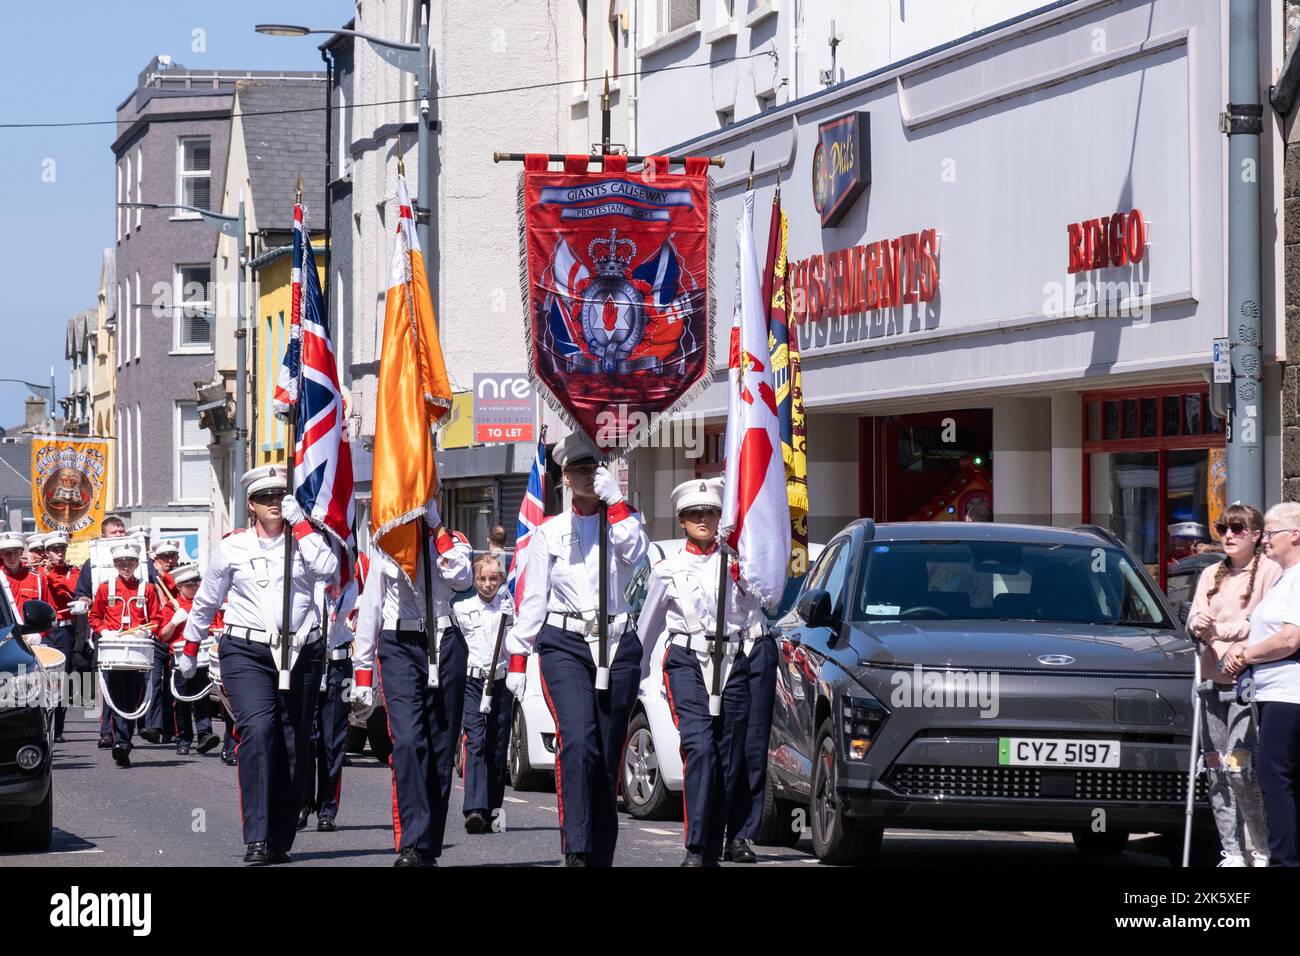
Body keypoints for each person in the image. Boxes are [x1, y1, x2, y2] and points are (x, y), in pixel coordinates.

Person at [178, 465, 338, 865]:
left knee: (294, 742)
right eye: (265, 498)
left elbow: (329, 570)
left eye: (280, 497)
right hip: (247, 651)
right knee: (259, 730)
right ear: (251, 505)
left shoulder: (307, 540)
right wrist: (190, 645)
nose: (274, 504)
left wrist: (300, 524)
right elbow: (207, 600)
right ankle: (257, 836)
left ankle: (280, 837)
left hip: (302, 651)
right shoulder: (233, 547)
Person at [506, 433, 648, 867]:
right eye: (579, 469)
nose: (587, 476)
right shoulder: (549, 533)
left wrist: (618, 503)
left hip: (616, 642)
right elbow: (533, 600)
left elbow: (636, 554)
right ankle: (578, 848)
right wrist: (517, 657)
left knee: (605, 755)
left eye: (594, 468)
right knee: (579, 740)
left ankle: (600, 852)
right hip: (565, 643)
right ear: (565, 477)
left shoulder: (625, 522)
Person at [637, 478, 763, 866]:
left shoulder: (736, 563)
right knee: (700, 748)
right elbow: (647, 628)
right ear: (681, 521)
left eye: (710, 513)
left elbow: (753, 617)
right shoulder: (667, 569)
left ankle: (712, 847)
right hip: (687, 661)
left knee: (728, 758)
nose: (704, 519)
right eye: (695, 514)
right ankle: (695, 846)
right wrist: (632, 676)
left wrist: (745, 581)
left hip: (731, 661)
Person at [353, 505, 472, 866]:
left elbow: (462, 577)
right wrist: (362, 672)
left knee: (440, 747)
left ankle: (427, 843)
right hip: (400, 644)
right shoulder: (386, 543)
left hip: (445, 643)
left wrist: (435, 525)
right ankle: (411, 841)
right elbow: (371, 606)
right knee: (407, 741)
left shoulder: (453, 542)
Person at [1186, 503, 1280, 866]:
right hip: (1211, 680)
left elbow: (1260, 622)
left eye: (1238, 529)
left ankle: (1260, 847)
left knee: (1240, 766)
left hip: (1248, 682)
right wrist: (1198, 626)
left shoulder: (1270, 572)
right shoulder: (1211, 573)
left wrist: (1219, 632)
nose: (1228, 535)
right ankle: (1232, 850)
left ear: (1256, 535)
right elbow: (1195, 617)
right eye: (1223, 528)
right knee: (1215, 765)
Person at [1224, 501, 1300, 866]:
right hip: (1274, 690)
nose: (1265, 541)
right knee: (1278, 774)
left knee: (1275, 774)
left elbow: (1289, 639)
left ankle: (1286, 859)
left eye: (1271, 533)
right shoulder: (1285, 577)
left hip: (1290, 691)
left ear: (1295, 535)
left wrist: (1246, 655)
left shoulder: (1299, 576)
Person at [453, 552, 515, 835]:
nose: (488, 584)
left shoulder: (508, 609)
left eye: (493, 578)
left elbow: (515, 646)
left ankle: (492, 809)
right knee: (475, 741)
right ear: (474, 579)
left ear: (501, 579)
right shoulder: (462, 609)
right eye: (482, 578)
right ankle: (474, 809)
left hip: (501, 682)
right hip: (473, 682)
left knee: (497, 744)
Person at [88, 544, 163, 769]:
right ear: (114, 564)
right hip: (115, 649)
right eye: (121, 563)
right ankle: (122, 743)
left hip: (138, 650)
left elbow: (157, 618)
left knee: (134, 697)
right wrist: (104, 632)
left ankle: (125, 738)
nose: (125, 567)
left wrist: (146, 630)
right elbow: (95, 617)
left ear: (137, 564)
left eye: (130, 562)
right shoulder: (104, 588)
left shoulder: (147, 589)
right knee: (118, 696)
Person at [298, 573, 357, 833]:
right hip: (307, 661)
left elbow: (343, 612)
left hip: (337, 663)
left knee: (333, 739)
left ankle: (327, 808)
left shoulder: (348, 580)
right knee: (304, 736)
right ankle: (302, 803)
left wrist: (330, 590)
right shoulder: (303, 576)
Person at [158, 563, 221, 757]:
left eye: (196, 582)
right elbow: (163, 636)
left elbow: (218, 627)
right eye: (189, 584)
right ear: (178, 586)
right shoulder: (171, 606)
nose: (194, 587)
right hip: (179, 657)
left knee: (202, 696)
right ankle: (183, 739)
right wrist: (174, 621)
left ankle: (205, 735)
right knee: (181, 700)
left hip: (202, 653)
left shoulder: (206, 604)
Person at [141, 539, 183, 745]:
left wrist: (164, 574)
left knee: (172, 683)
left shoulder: (181, 576)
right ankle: (153, 726)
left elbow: (176, 586)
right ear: (155, 559)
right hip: (157, 633)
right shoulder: (149, 577)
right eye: (164, 557)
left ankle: (172, 728)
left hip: (175, 634)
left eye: (172, 556)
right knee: (155, 681)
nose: (169, 560)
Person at [42, 531, 80, 742]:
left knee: (62, 679)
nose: (59, 554)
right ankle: (43, 724)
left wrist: (52, 577)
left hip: (64, 630)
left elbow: (74, 589)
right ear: (47, 552)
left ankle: (58, 729)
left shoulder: (71, 572)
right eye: (54, 550)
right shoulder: (39, 573)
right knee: (42, 679)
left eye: (62, 550)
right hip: (44, 630)